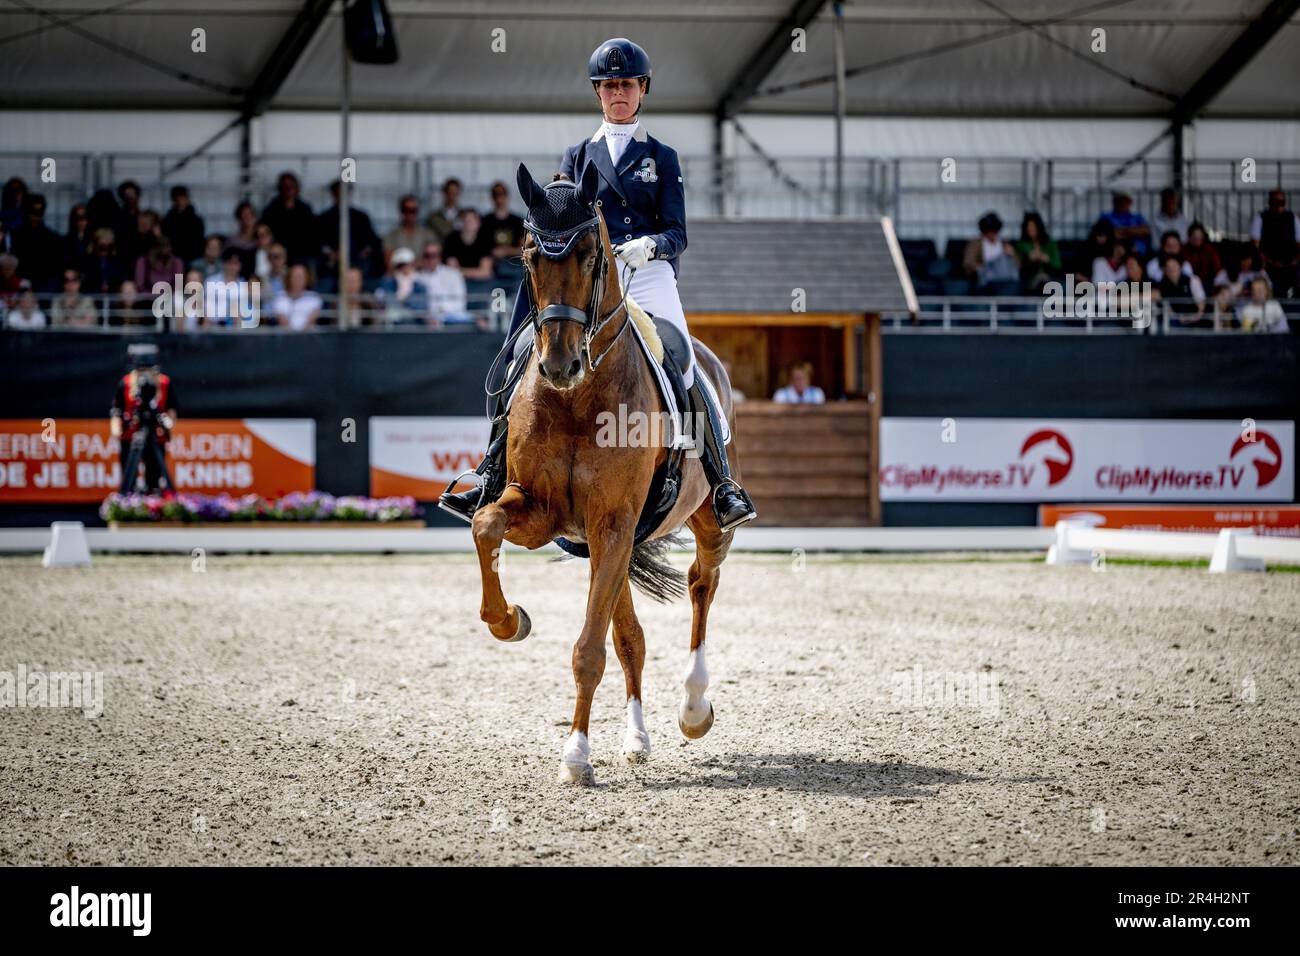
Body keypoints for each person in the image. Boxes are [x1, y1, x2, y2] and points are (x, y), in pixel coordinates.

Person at [438, 36, 756, 532]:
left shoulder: (662, 157)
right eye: (609, 86)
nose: (618, 93)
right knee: (520, 355)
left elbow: (678, 232)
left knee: (685, 362)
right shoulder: (578, 154)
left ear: (642, 90)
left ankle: (721, 481)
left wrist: (649, 248)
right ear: (598, 93)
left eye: (626, 84)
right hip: (590, 275)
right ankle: (490, 471)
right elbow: (563, 216)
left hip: (647, 276)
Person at [111, 343, 179, 494]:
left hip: (156, 435)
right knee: (129, 477)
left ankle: (153, 500)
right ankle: (129, 501)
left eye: (148, 370)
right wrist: (117, 429)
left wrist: (168, 426)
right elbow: (117, 410)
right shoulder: (126, 382)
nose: (145, 375)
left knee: (154, 478)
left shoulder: (164, 383)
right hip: (130, 435)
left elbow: (172, 409)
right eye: (141, 370)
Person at [10, 193, 64, 293]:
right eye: (33, 211)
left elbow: (55, 266)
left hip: (44, 284)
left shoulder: (53, 237)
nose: (36, 216)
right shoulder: (16, 235)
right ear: (27, 211)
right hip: (22, 283)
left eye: (40, 212)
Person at [1250, 190, 1299, 298]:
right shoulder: (1261, 217)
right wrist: (1266, 261)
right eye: (1275, 202)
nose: (1278, 206)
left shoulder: (1292, 218)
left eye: (1281, 202)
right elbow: (1255, 244)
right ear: (1270, 202)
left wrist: (1295, 260)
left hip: (1290, 265)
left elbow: (1298, 242)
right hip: (1269, 266)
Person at [260, 172, 317, 263]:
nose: (289, 189)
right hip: (277, 255)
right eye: (285, 186)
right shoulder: (272, 209)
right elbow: (264, 231)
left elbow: (312, 234)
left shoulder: (305, 209)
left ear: (296, 188)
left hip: (301, 255)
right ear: (280, 188)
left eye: (291, 185)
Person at [416, 242, 474, 325]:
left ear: (440, 257)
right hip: (427, 321)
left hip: (452, 319)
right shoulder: (417, 277)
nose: (430, 259)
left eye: (434, 255)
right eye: (427, 255)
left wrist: (441, 310)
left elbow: (460, 302)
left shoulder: (454, 274)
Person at [962, 212, 1020, 294]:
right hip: (986, 279)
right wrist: (982, 268)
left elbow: (1017, 265)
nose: (992, 234)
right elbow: (968, 262)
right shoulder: (976, 244)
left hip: (1005, 279)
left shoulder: (1004, 243)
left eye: (994, 231)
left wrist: (1012, 255)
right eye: (989, 231)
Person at [374, 247, 429, 324]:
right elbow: (386, 305)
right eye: (400, 266)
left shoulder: (420, 286)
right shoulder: (387, 283)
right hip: (393, 327)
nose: (404, 269)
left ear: (413, 265)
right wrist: (400, 290)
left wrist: (405, 298)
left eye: (407, 265)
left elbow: (421, 310)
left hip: (414, 327)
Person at [383, 194, 435, 272]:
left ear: (417, 212)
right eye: (406, 210)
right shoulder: (391, 236)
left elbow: (432, 260)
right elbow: (389, 263)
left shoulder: (427, 235)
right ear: (401, 211)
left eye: (413, 210)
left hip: (423, 276)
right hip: (399, 276)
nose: (409, 214)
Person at [1013, 212, 1060, 294]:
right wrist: (1029, 259)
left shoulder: (1050, 244)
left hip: (1050, 279)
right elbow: (1020, 266)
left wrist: (1046, 259)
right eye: (1029, 227)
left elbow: (1058, 265)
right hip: (1030, 280)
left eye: (1033, 227)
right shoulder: (1021, 245)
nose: (1031, 229)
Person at [441, 209, 495, 279]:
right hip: (456, 281)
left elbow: (485, 272)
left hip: (481, 282)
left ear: (478, 223)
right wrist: (477, 272)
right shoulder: (451, 239)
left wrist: (461, 271)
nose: (467, 224)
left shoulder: (485, 240)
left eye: (471, 221)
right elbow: (452, 271)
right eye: (464, 220)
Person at [161, 185, 206, 265]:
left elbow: (199, 241)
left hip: (192, 259)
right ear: (174, 200)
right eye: (177, 199)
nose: (180, 201)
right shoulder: (168, 219)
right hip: (174, 259)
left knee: (192, 276)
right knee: (179, 277)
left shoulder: (196, 220)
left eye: (183, 198)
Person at [271, 262, 322, 330]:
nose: (297, 280)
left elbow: (310, 322)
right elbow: (283, 323)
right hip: (286, 337)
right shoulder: (280, 297)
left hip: (308, 338)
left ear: (306, 278)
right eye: (295, 276)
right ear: (289, 278)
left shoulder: (314, 298)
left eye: (300, 277)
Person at [483, 181, 526, 260]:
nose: (499, 199)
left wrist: (507, 251)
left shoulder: (517, 221)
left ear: (507, 197)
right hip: (491, 265)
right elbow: (480, 247)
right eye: (496, 195)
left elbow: (524, 249)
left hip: (514, 264)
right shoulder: (485, 221)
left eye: (502, 195)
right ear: (492, 198)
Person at [1100, 190, 1151, 256]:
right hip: (1113, 252)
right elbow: (1103, 234)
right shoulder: (1106, 217)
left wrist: (1121, 231)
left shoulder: (1137, 217)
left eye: (1125, 201)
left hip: (1136, 254)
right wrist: (1133, 231)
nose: (1122, 203)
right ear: (1114, 202)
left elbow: (1146, 231)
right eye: (1119, 201)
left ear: (1130, 202)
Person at [1183, 222, 1225, 290]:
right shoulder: (1184, 249)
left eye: (1200, 236)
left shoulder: (1209, 249)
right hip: (1189, 283)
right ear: (1189, 237)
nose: (1197, 239)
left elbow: (1217, 268)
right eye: (1194, 236)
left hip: (1208, 282)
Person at [426, 178, 462, 243]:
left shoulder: (464, 216)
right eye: (450, 192)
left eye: (455, 193)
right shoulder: (434, 217)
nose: (452, 196)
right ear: (444, 193)